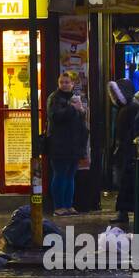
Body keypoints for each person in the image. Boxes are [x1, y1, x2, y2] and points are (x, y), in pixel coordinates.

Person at [47, 73, 86, 216]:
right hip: (59, 144)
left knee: (70, 176)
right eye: (61, 82)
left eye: (67, 82)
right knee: (60, 175)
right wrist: (73, 108)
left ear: (72, 84)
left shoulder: (73, 98)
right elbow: (55, 116)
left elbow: (80, 121)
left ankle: (69, 205)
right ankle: (59, 206)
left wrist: (81, 111)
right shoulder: (54, 98)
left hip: (74, 145)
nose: (64, 84)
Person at [109, 78, 139, 224]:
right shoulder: (129, 107)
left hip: (126, 150)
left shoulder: (129, 108)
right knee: (125, 182)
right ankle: (124, 212)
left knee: (124, 181)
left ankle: (123, 212)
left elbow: (125, 132)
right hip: (126, 149)